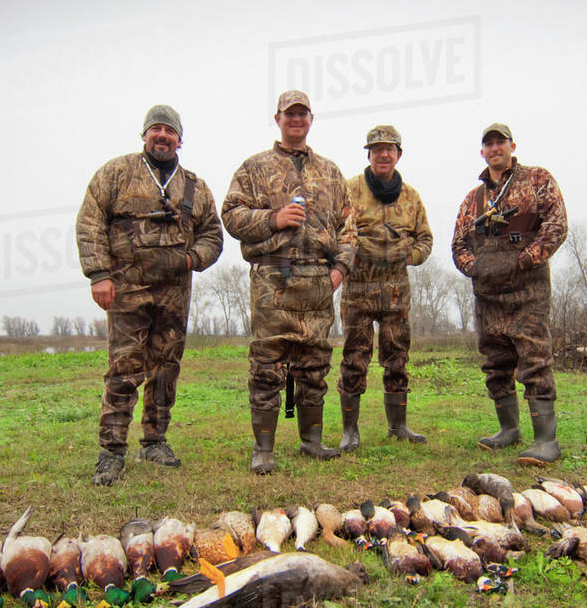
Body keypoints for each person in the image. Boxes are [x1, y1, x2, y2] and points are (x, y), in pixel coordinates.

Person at [76, 105, 223, 485]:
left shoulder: (194, 186)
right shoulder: (116, 173)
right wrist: (98, 274)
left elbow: (213, 235)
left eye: (169, 131)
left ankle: (154, 441)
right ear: (144, 135)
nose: (162, 136)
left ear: (179, 139)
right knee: (124, 368)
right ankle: (111, 450)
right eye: (155, 129)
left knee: (165, 369)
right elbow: (90, 222)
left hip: (175, 294)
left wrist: (193, 257)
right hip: (126, 290)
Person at [221, 89, 356, 475]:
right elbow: (230, 215)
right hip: (272, 280)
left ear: (310, 119)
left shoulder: (330, 172)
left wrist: (339, 271)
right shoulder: (254, 168)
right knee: (267, 363)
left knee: (315, 362)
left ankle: (311, 440)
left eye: (302, 114)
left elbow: (349, 228)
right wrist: (273, 219)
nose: (296, 119)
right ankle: (263, 449)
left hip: (318, 280)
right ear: (277, 118)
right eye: (289, 113)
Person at [451, 123, 568, 465]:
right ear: (482, 151)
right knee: (495, 362)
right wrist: (475, 268)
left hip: (527, 292)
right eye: (488, 144)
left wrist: (524, 260)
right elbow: (457, 244)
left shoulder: (536, 180)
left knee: (534, 360)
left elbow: (556, 225)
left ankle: (547, 441)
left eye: (500, 142)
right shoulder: (473, 200)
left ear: (512, 146)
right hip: (487, 296)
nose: (494, 148)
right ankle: (509, 430)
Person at [337, 125, 433, 451]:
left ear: (398, 154)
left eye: (389, 148)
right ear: (369, 154)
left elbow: (425, 240)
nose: (383, 154)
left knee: (397, 358)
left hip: (395, 292)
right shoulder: (349, 190)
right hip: (358, 291)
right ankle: (350, 431)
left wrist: (410, 255)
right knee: (354, 358)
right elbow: (336, 232)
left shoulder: (411, 196)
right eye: (377, 149)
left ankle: (399, 426)